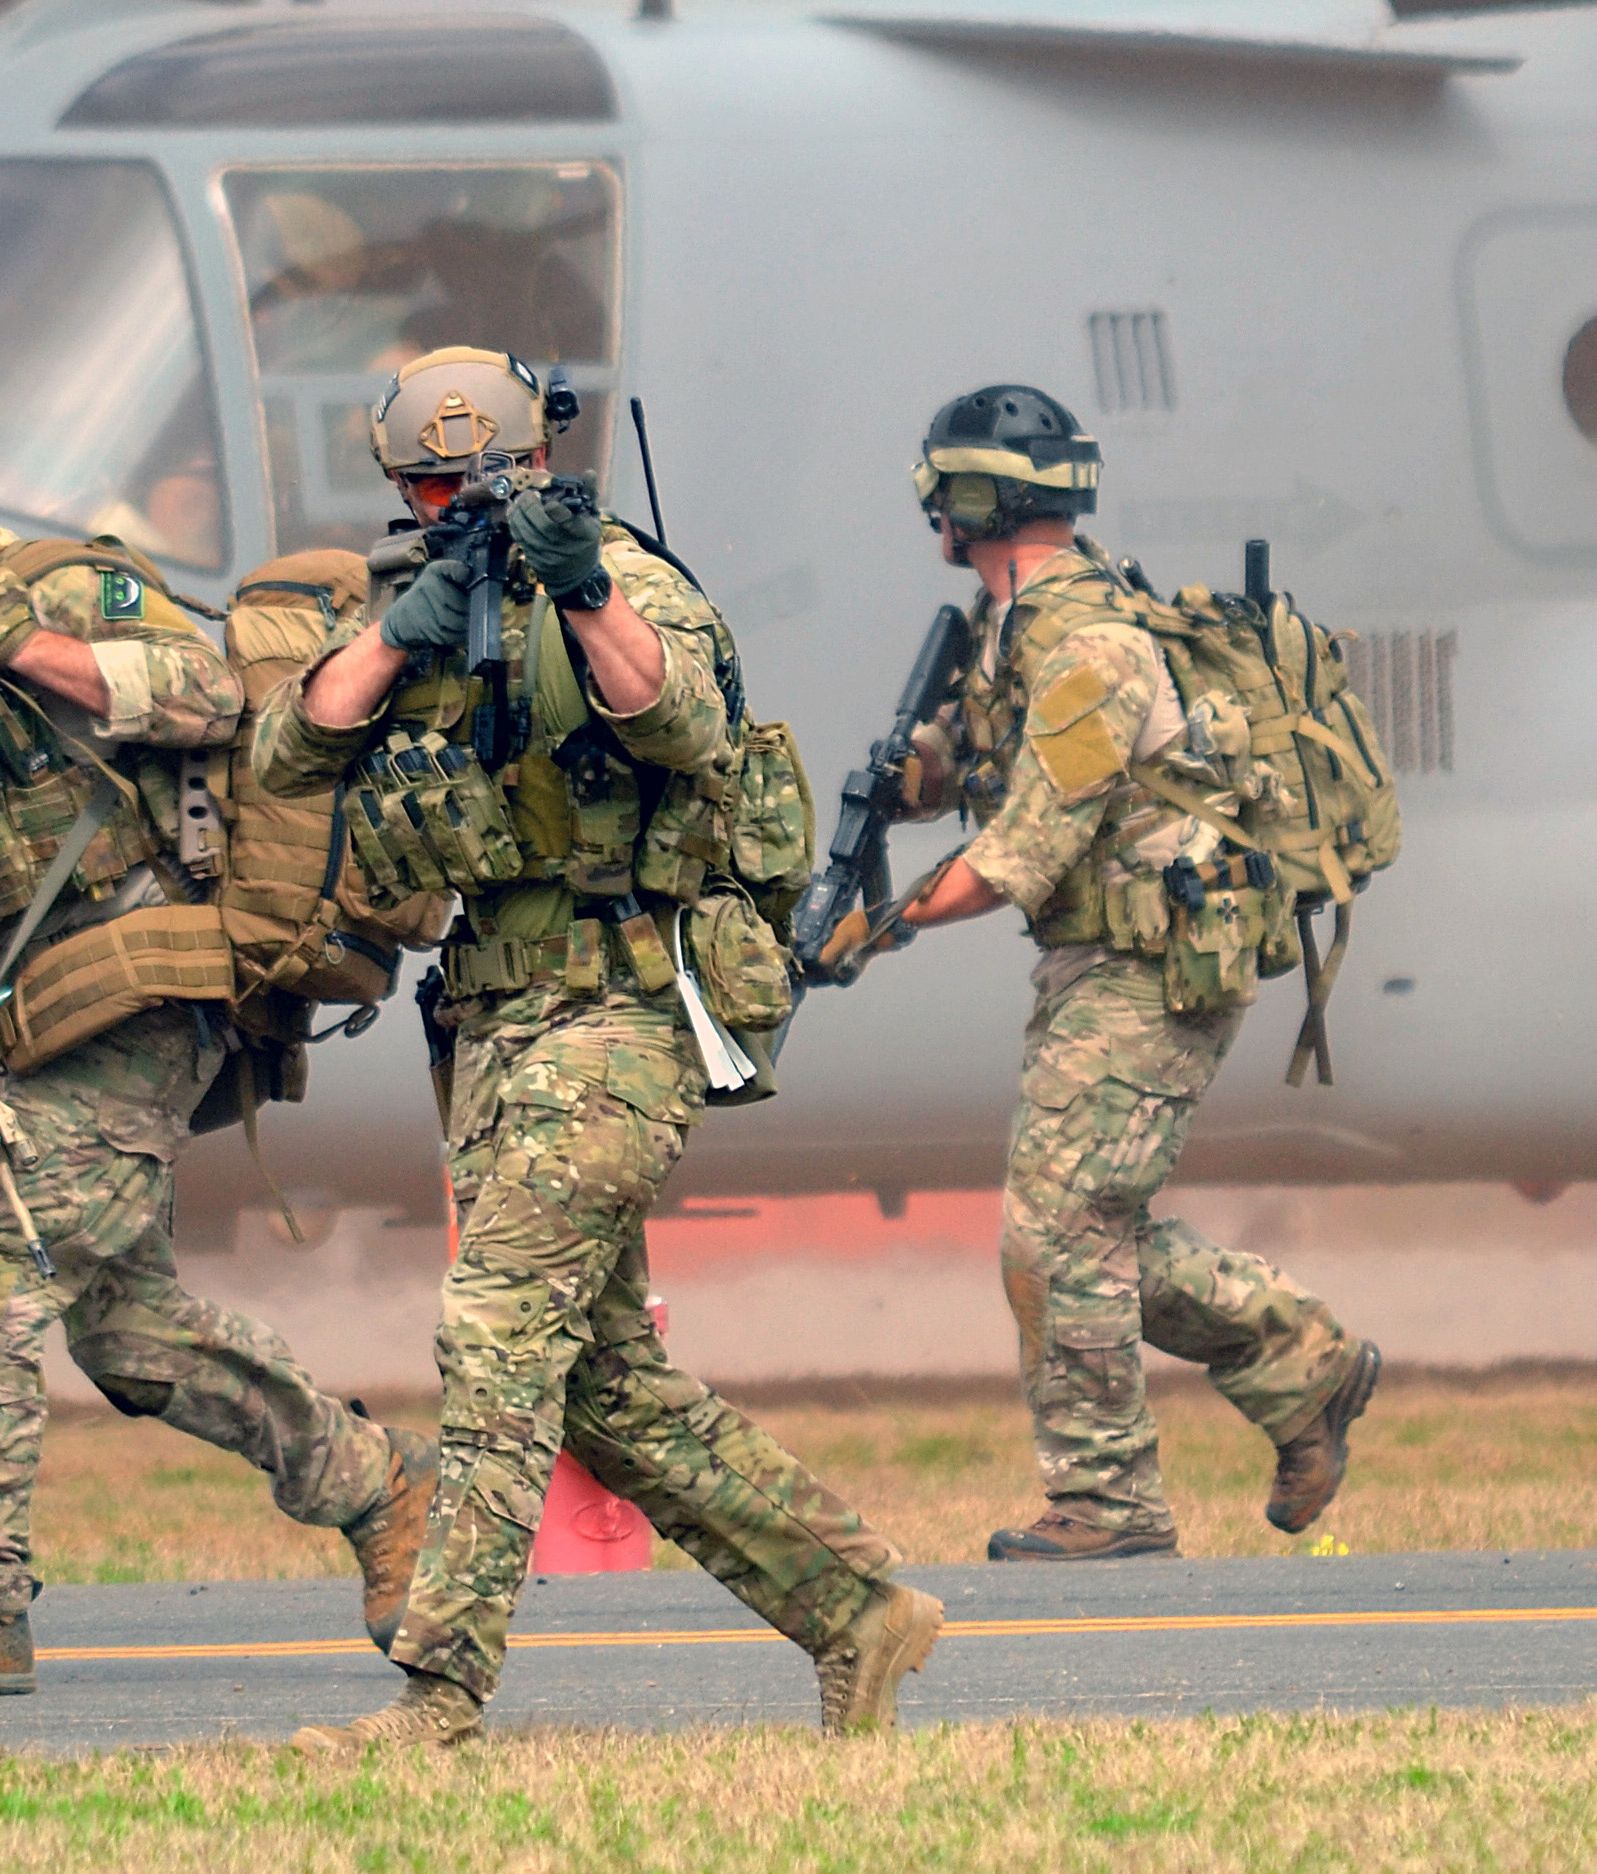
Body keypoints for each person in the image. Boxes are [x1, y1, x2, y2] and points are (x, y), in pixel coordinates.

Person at [255, 347, 942, 1755]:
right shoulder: (418, 614)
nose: (443, 502)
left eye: (466, 482)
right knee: (605, 1387)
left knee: (499, 1330)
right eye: (422, 486)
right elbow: (289, 751)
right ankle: (857, 1604)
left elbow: (683, 719)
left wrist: (576, 586)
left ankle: (438, 1694)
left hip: (619, 1009)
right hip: (497, 1021)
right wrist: (411, 624)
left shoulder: (628, 583)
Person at [0, 395, 431, 1693]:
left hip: (155, 968)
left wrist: (32, 654)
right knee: (127, 1332)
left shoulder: (54, 592)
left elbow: (209, 693)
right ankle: (381, 1489)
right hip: (41, 1004)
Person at [855, 384, 1383, 1564]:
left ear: (977, 500)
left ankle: (1107, 1501)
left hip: (1151, 958)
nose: (932, 512)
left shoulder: (1087, 641)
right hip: (1104, 951)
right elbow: (993, 769)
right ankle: (1301, 1361)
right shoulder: (1015, 626)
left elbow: (1020, 851)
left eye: (942, 488)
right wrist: (916, 772)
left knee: (1059, 1231)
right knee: (1074, 1228)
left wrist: (881, 921)